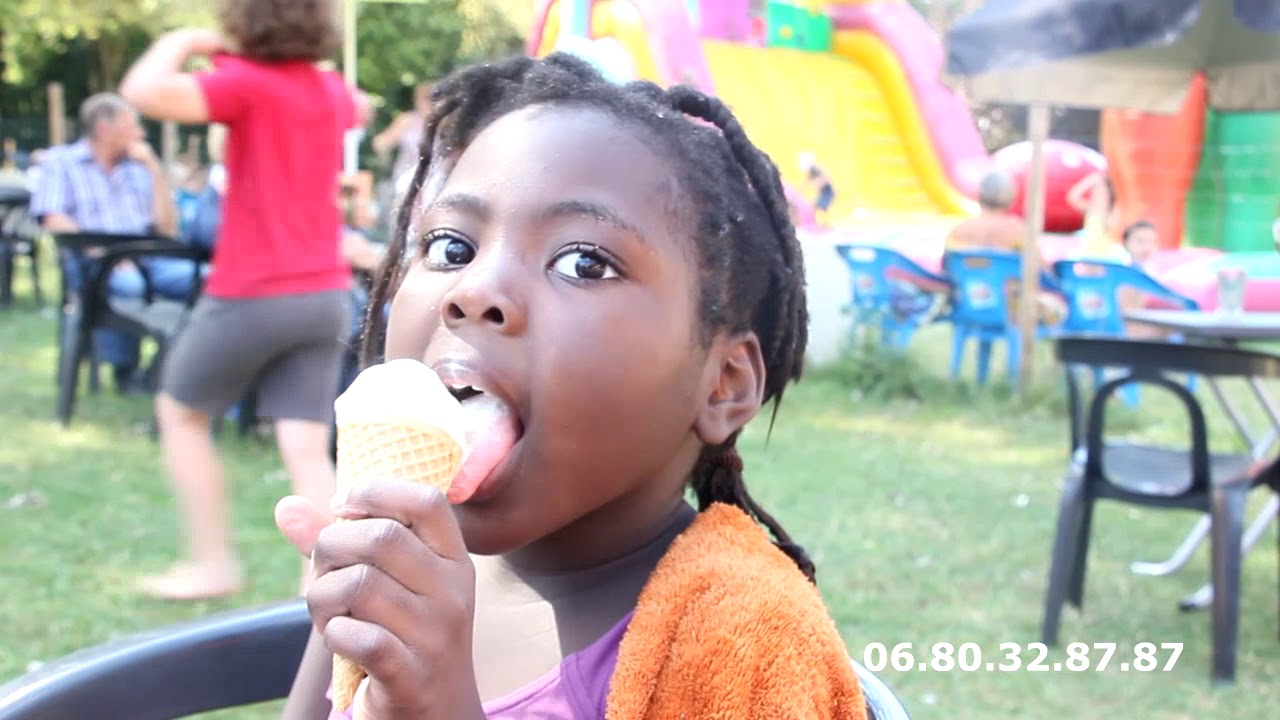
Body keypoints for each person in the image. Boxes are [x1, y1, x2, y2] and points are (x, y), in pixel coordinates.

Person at [271, 53, 866, 719]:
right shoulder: (393, 562)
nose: (475, 292)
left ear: (722, 383)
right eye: (449, 248)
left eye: (583, 262)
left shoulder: (743, 639)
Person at [119, 0, 367, 600]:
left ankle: (213, 564)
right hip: (326, 293)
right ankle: (323, 583)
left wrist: (186, 41)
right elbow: (355, 108)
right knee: (305, 444)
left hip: (256, 289)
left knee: (182, 413)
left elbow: (141, 90)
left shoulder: (246, 85)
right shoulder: (330, 90)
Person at [28, 93, 180, 393]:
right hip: (96, 261)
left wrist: (155, 170)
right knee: (130, 285)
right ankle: (124, 370)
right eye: (133, 126)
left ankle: (160, 371)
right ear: (103, 128)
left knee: (206, 282)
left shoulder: (138, 168)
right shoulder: (62, 162)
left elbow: (167, 228)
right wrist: (107, 253)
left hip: (151, 257)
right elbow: (52, 217)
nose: (140, 134)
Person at [946, 169, 1066, 327]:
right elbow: (1042, 270)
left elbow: (947, 269)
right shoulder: (1017, 229)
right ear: (1011, 197)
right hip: (1012, 310)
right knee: (1058, 307)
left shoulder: (958, 231)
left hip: (968, 304)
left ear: (979, 195)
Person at [372, 80, 433, 190]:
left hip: (432, 180)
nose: (426, 104)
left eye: (429, 99)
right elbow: (380, 143)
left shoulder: (444, 123)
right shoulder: (406, 120)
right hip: (407, 180)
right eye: (423, 99)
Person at [1067, 170, 1123, 258]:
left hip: (1105, 254)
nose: (1096, 194)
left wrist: (1102, 210)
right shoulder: (1091, 209)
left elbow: (1112, 227)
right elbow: (1072, 197)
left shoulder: (1113, 211)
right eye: (1094, 190)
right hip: (1088, 252)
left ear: (1109, 193)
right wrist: (1089, 181)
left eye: (1100, 190)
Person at [798, 151, 835, 218]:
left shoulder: (818, 169)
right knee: (815, 207)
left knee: (820, 207)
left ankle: (825, 223)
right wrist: (799, 193)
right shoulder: (810, 173)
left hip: (828, 192)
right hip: (822, 193)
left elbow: (828, 178)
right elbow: (805, 184)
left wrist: (817, 182)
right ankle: (819, 223)